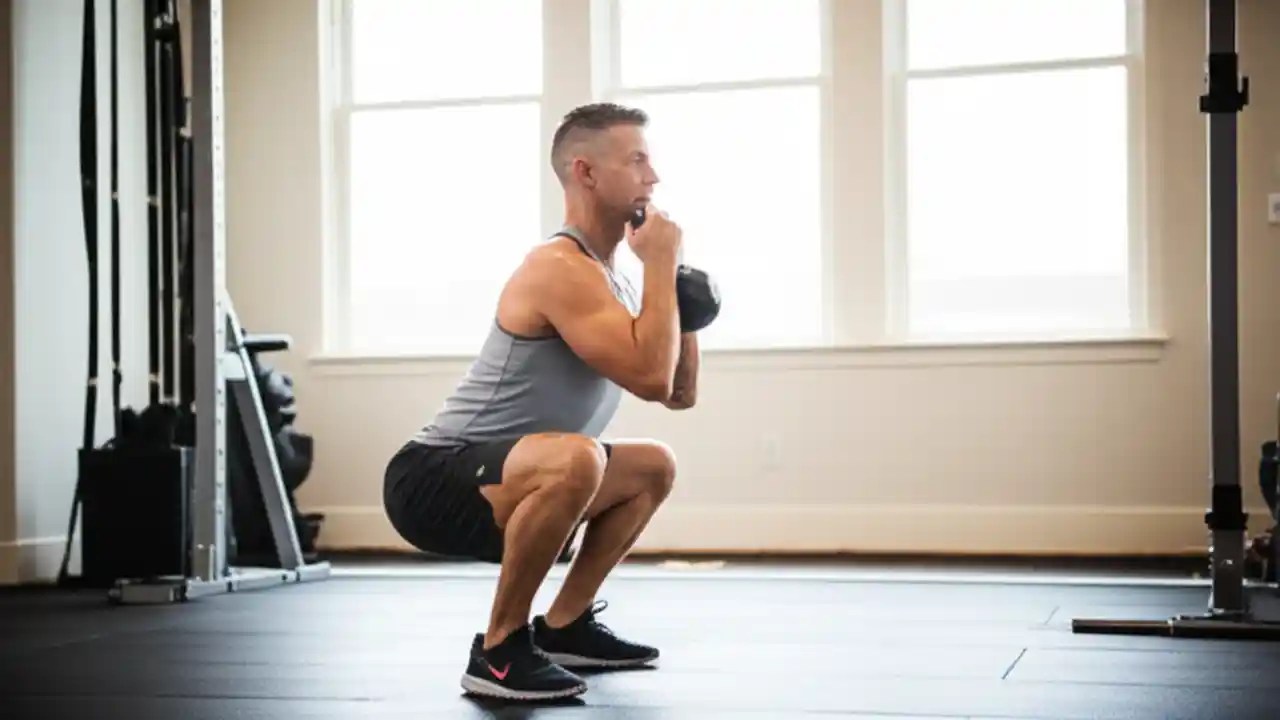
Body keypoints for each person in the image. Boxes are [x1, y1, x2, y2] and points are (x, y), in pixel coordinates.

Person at [382, 102, 700, 702]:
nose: (653, 177)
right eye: (637, 160)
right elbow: (651, 378)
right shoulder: (557, 266)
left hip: (520, 468)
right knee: (580, 459)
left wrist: (686, 312)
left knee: (652, 464)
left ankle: (564, 627)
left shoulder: (615, 275)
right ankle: (499, 651)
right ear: (585, 172)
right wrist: (662, 267)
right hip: (431, 476)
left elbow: (679, 394)